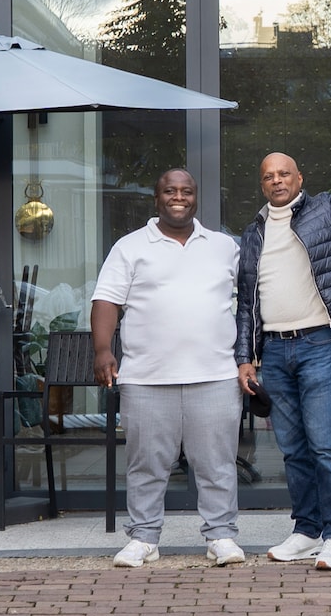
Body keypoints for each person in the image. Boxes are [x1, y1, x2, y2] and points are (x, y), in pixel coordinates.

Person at [235, 80, 331, 571]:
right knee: (292, 448)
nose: (276, 180)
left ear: (299, 178)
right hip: (273, 351)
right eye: (268, 175)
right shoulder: (252, 235)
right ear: (263, 183)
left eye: (284, 173)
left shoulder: (324, 212)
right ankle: (306, 529)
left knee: (325, 445)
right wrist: (244, 357)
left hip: (316, 342)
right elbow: (245, 302)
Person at [91, 166, 245, 568]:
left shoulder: (224, 246)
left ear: (196, 197)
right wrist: (103, 349)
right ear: (156, 197)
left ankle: (222, 537)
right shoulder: (129, 247)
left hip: (214, 374)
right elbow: (106, 301)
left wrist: (249, 358)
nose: (179, 197)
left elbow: (248, 306)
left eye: (186, 191)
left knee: (217, 463)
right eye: (170, 191)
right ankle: (144, 538)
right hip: (146, 378)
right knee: (145, 464)